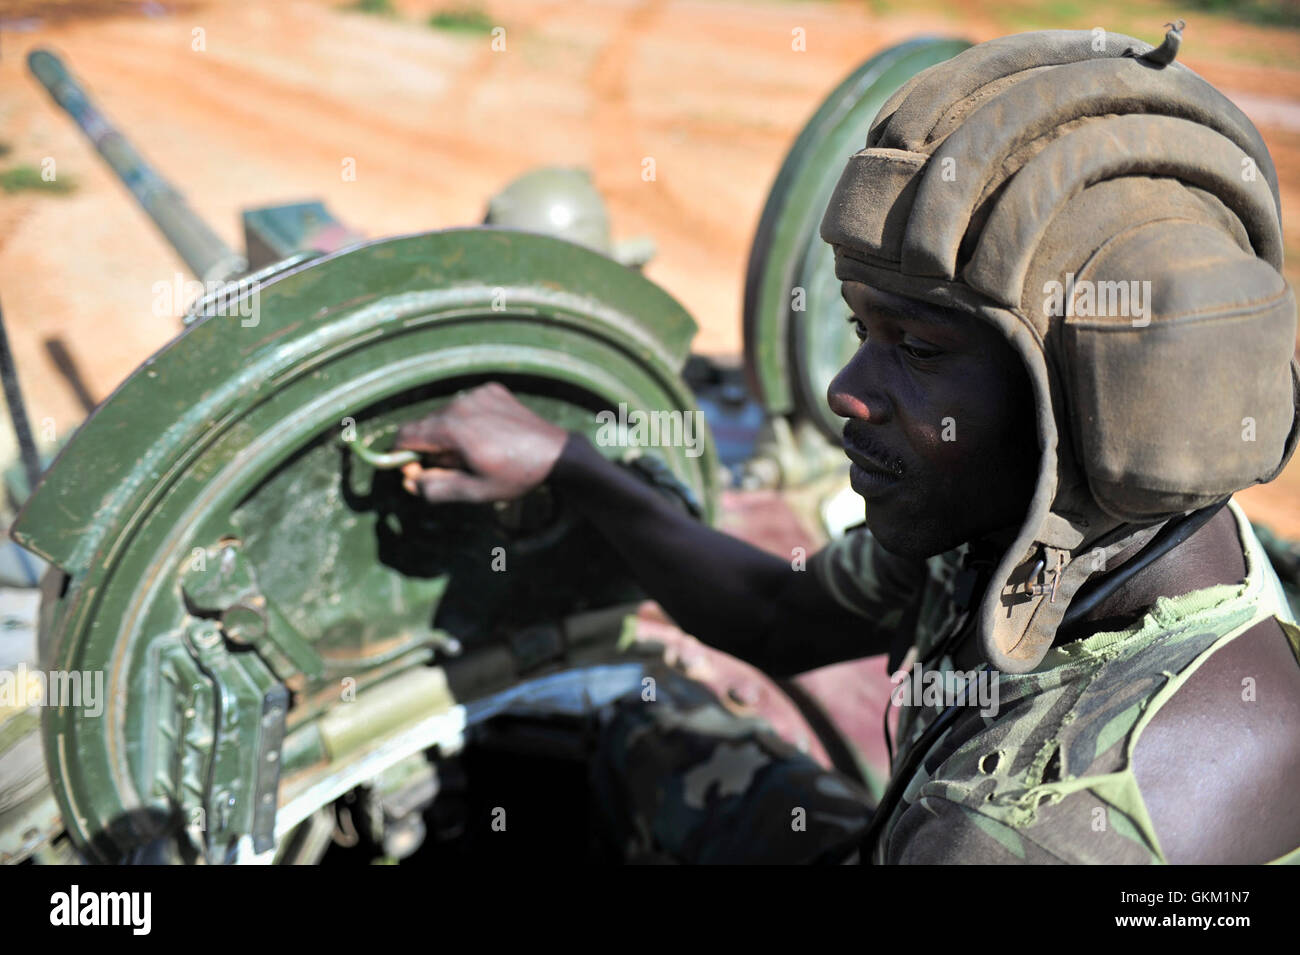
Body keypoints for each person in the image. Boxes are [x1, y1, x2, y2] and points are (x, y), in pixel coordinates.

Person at [395, 26, 1300, 864]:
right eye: (857, 328)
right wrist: (571, 463)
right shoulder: (1036, 543)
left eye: (917, 347)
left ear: (1097, 406)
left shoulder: (1026, 837)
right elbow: (776, 614)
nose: (847, 390)